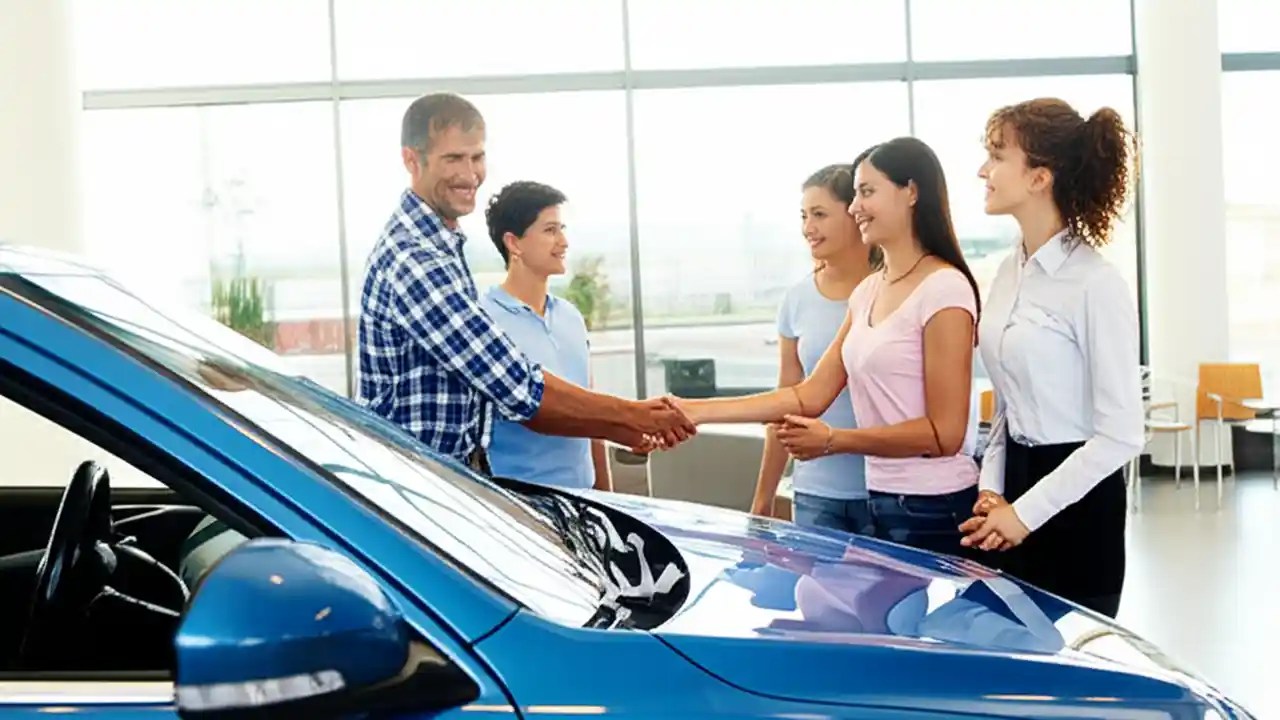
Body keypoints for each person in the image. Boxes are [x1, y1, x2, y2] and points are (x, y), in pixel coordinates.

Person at [674, 137, 983, 557]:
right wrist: (695, 411)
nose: (855, 207)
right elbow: (808, 395)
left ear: (910, 192)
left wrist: (836, 440)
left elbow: (944, 434)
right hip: (882, 499)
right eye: (855, 194)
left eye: (866, 192)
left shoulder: (945, 287)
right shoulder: (870, 291)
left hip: (934, 509)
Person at [356, 93, 693, 473]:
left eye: (477, 157)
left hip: (447, 482)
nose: (469, 174)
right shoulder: (414, 259)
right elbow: (515, 385)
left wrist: (619, 425)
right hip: (416, 488)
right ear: (411, 160)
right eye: (453, 159)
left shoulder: (442, 247)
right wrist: (632, 416)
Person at [958, 98, 1144, 618]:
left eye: (997, 156)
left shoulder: (1094, 283)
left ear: (1040, 177)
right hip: (1012, 483)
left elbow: (1123, 433)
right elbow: (1007, 407)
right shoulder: (1006, 273)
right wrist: (993, 491)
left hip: (1077, 499)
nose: (983, 170)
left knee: (1067, 680)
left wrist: (1027, 513)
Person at [753, 165, 876, 532]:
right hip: (815, 497)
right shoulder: (797, 299)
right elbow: (785, 403)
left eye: (819, 215)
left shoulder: (893, 292)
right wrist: (764, 497)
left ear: (855, 214)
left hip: (886, 496)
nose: (808, 228)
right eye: (804, 216)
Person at [479, 180, 612, 491]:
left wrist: (609, 499)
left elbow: (592, 412)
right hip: (520, 507)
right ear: (514, 243)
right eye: (550, 230)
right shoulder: (485, 322)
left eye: (562, 228)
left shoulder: (570, 317)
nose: (563, 241)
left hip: (586, 504)